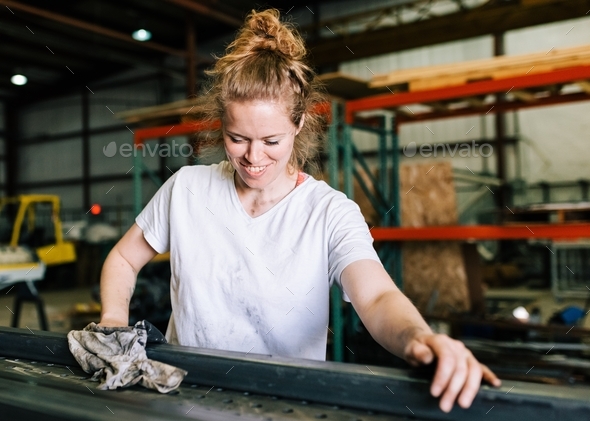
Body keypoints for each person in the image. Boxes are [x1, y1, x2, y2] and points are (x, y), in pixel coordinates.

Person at [99, 8, 500, 412]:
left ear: (300, 123)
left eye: (271, 141)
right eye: (237, 138)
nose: (253, 157)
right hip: (187, 397)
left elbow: (376, 296)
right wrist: (114, 319)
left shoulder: (328, 213)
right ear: (221, 124)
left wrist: (419, 337)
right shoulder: (185, 190)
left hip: (286, 407)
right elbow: (123, 258)